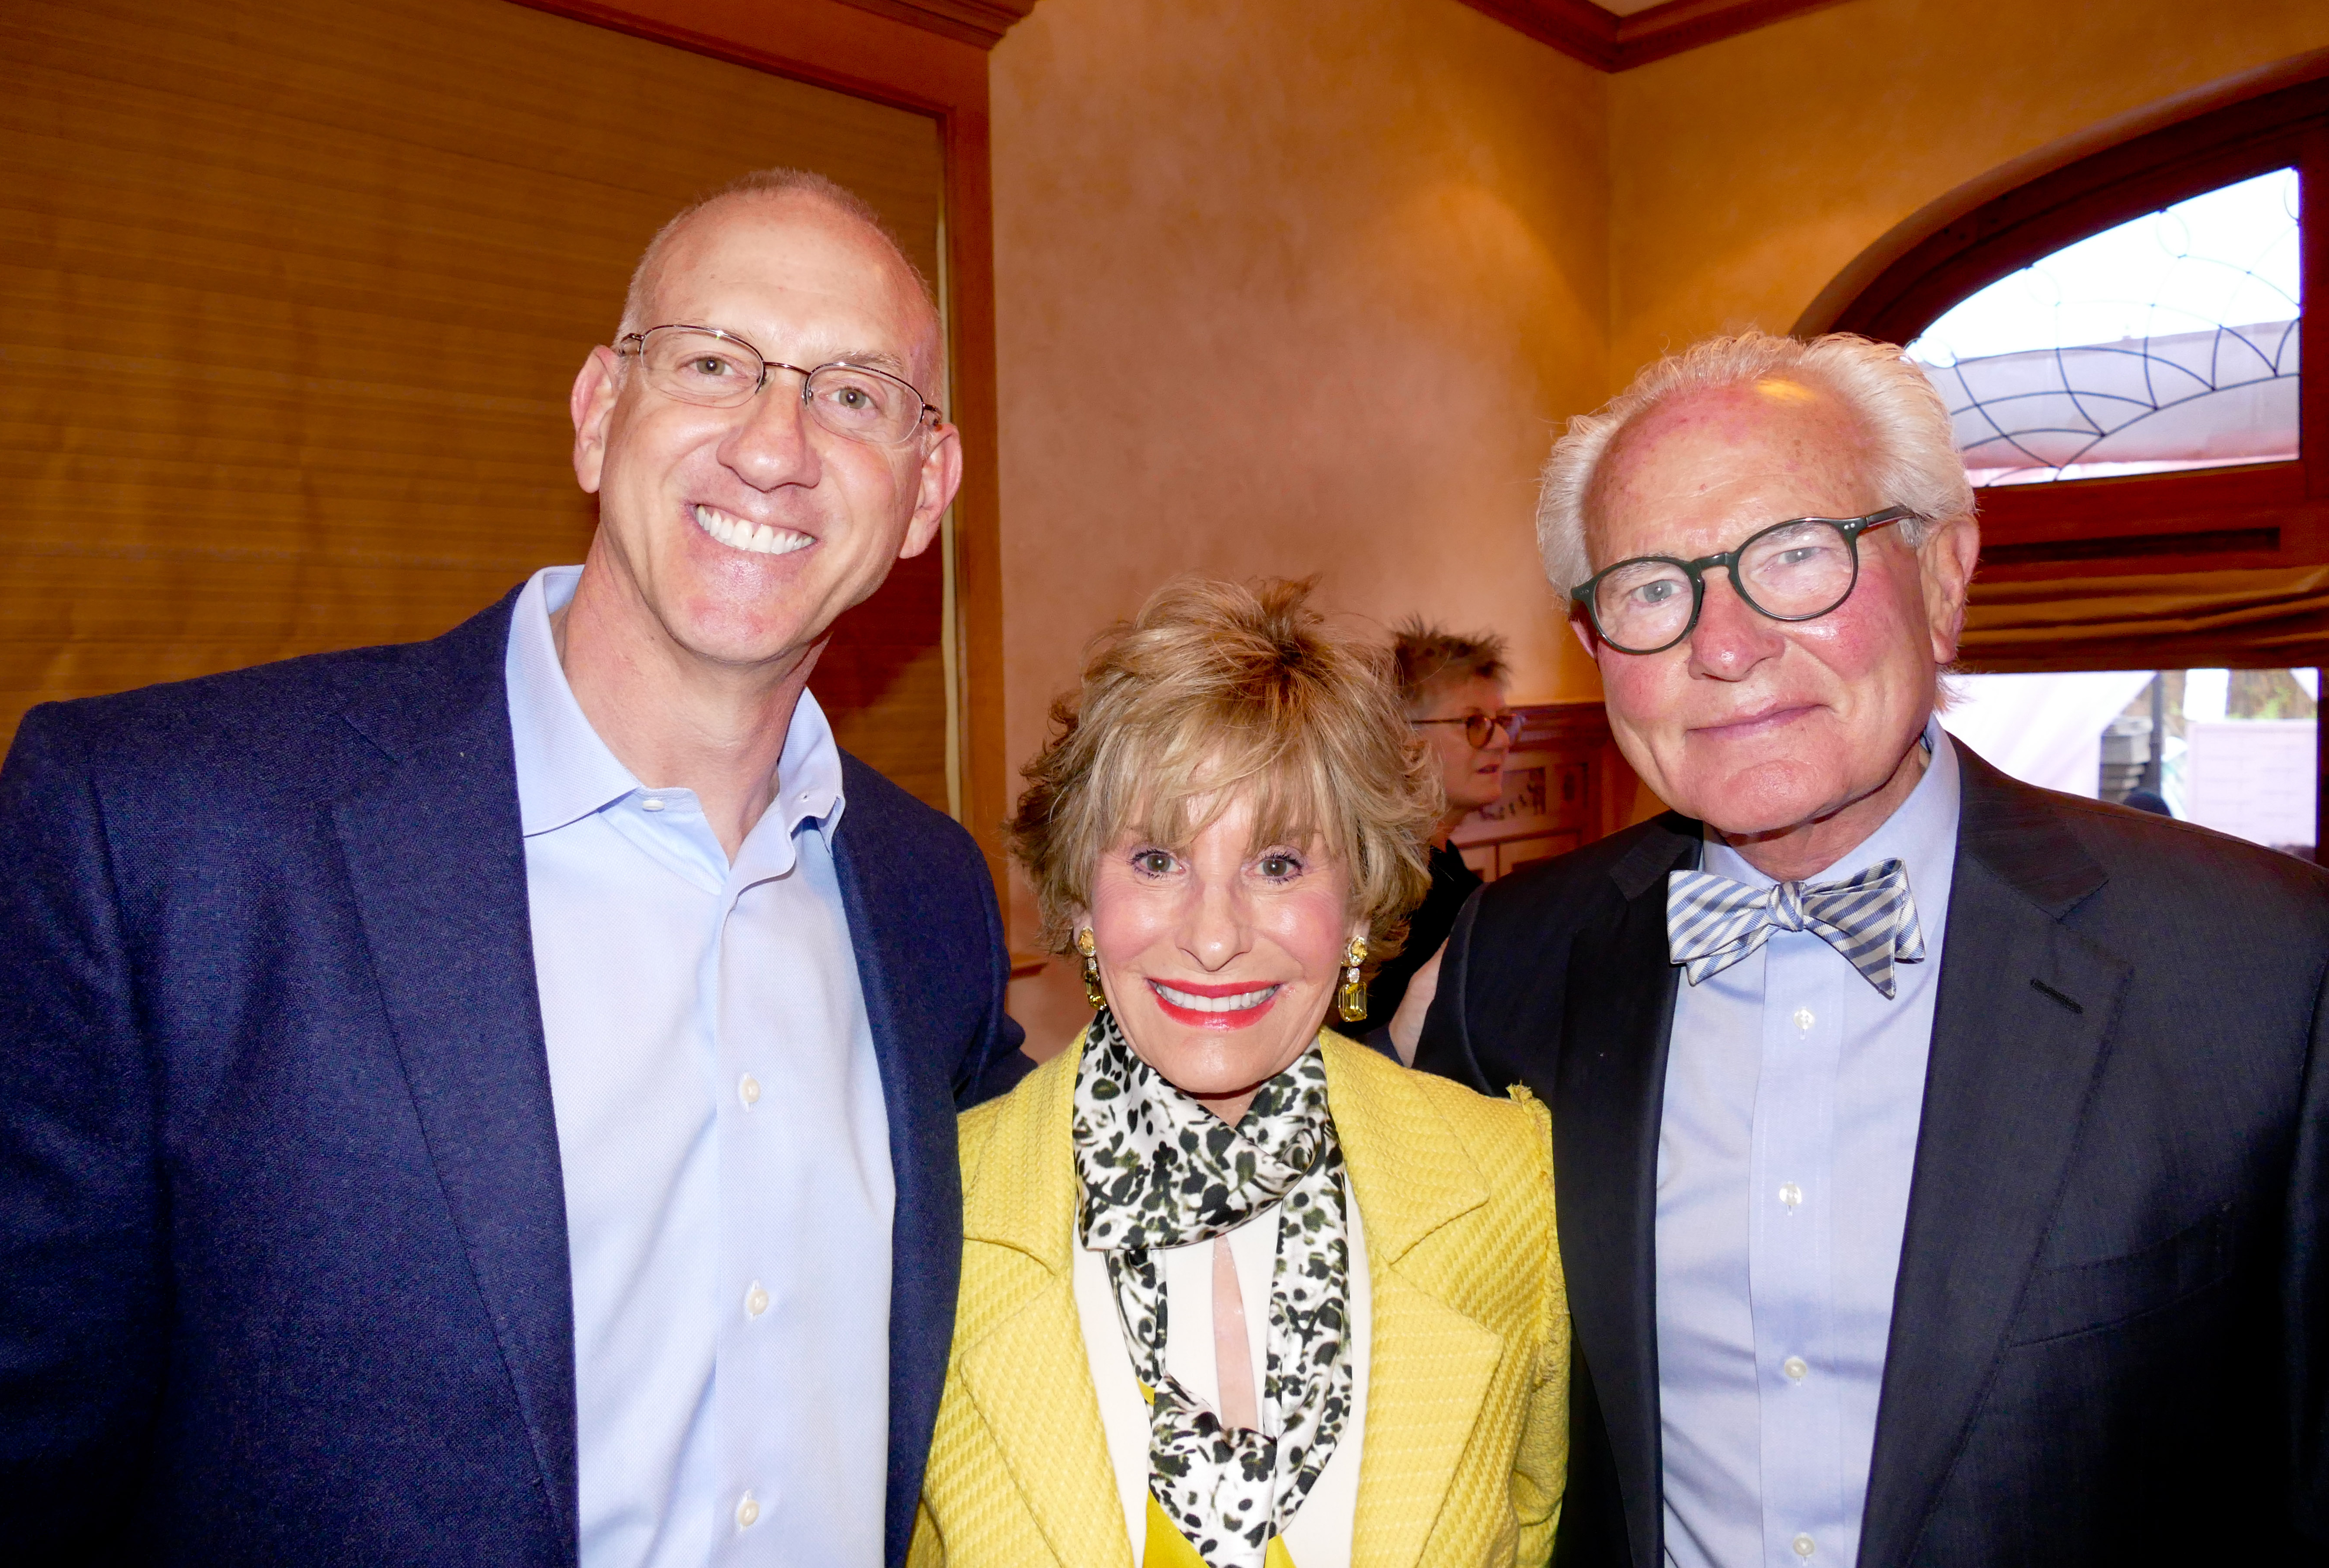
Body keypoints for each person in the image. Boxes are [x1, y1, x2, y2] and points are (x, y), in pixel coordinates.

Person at [0, 170, 1027, 1566]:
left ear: (925, 491)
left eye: (856, 395)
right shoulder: (166, 838)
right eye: (714, 364)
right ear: (598, 414)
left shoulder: (931, 894)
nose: (776, 445)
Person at [1410, 332, 2329, 1566]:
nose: (1723, 646)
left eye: (1798, 555)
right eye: (1648, 588)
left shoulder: (2261, 970)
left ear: (1944, 579)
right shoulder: (1508, 965)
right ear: (1596, 654)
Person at [913, 577, 1569, 1567]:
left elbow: (1537, 1524)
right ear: (1082, 898)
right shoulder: (934, 1212)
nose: (1213, 937)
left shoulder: (1507, 1182)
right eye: (1155, 861)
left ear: (1356, 907)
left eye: (1276, 865)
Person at [1333, 620, 1517, 1047]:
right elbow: (1349, 1028)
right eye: (1475, 722)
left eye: (1502, 720)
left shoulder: (1449, 872)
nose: (1502, 740)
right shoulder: (1369, 883)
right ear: (1401, 739)